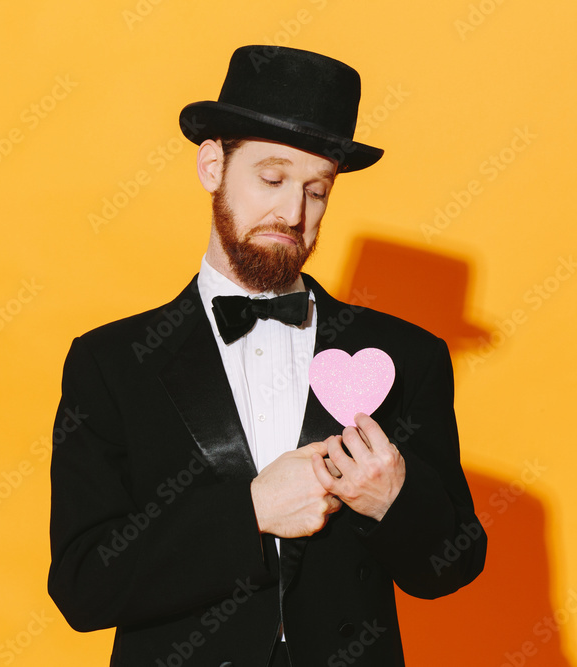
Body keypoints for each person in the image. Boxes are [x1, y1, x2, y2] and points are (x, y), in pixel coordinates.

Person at [47, 46, 486, 666]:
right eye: (272, 179)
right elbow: (83, 586)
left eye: (317, 191)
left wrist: (395, 498)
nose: (293, 213)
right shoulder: (111, 363)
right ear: (211, 166)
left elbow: (452, 566)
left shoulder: (405, 356)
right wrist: (248, 513)